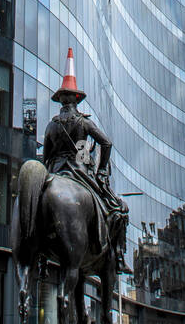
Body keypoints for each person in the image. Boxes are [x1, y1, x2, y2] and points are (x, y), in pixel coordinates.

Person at [40, 50, 131, 272]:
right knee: (120, 209)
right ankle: (118, 256)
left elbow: (46, 156)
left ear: (61, 99)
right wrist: (100, 171)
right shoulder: (83, 123)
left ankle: (40, 254)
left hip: (54, 171)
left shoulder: (51, 125)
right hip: (79, 171)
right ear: (77, 100)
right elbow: (106, 143)